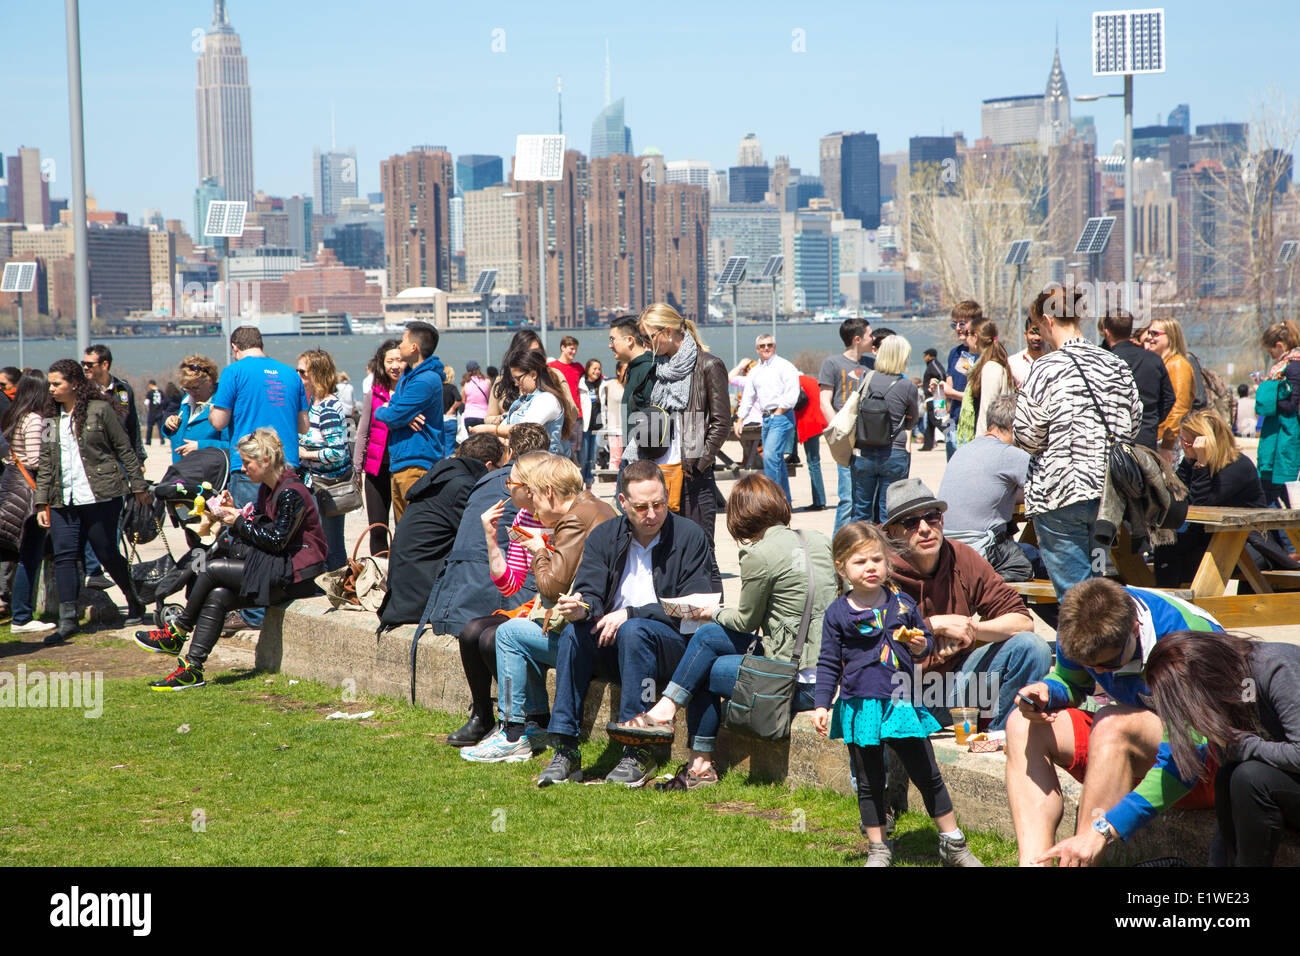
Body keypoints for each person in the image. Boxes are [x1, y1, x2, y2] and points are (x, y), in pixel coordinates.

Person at [606, 475, 836, 790]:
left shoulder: (759, 554)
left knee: (704, 666)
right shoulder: (819, 540)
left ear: (740, 517)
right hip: (827, 676)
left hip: (790, 681)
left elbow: (745, 620)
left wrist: (709, 611)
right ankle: (669, 715)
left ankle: (697, 763)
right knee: (709, 638)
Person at [1006, 577, 1223, 866]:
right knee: (1022, 724)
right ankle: (1034, 863)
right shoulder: (1079, 620)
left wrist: (1104, 830)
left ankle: (1079, 861)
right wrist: (1047, 692)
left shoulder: (1185, 641)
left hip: (1207, 766)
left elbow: (1186, 759)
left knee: (1113, 724)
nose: (1098, 673)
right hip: (1141, 750)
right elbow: (1071, 682)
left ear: (1135, 628)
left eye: (1108, 665)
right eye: (1088, 664)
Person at [812, 521, 984, 867]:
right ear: (840, 567)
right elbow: (829, 661)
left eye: (877, 559)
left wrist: (922, 643)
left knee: (927, 772)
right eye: (860, 562)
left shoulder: (903, 604)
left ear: (887, 563)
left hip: (901, 702)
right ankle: (878, 847)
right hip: (861, 706)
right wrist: (820, 703)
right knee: (869, 779)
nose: (870, 567)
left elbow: (924, 644)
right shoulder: (838, 613)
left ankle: (953, 843)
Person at [538, 460, 715, 787]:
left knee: (635, 630)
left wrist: (633, 613)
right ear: (622, 503)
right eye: (641, 507)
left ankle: (638, 749)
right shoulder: (606, 535)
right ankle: (566, 747)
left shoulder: (689, 536)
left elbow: (698, 604)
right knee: (574, 635)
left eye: (659, 504)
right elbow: (590, 589)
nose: (652, 514)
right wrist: (580, 606)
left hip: (672, 646)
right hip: (615, 643)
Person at [132, 429, 326, 690]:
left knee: (211, 569)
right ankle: (192, 669)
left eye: (248, 463)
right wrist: (235, 511)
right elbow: (260, 525)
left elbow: (277, 540)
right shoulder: (269, 488)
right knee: (219, 596)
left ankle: (177, 632)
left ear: (266, 460)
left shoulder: (291, 491)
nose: (243, 469)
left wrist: (239, 523)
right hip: (276, 565)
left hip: (297, 574)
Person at [460, 453, 617, 763]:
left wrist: (538, 552)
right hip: (602, 632)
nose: (531, 504)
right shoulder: (598, 507)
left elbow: (551, 586)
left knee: (508, 634)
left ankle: (513, 732)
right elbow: (514, 584)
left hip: (588, 640)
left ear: (548, 491)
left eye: (532, 495)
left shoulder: (574, 519)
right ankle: (537, 725)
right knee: (520, 630)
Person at [883, 478, 1048, 732]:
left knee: (1032, 647)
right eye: (911, 523)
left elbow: (1022, 621)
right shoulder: (878, 571)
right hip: (899, 693)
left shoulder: (961, 556)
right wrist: (933, 626)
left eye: (932, 516)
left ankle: (1002, 736)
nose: (925, 528)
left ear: (942, 520)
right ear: (893, 531)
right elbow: (864, 645)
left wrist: (969, 629)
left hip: (952, 688)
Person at [1013, 289, 1141, 601]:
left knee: (1076, 602)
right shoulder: (1116, 364)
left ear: (1046, 320)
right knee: (1098, 583)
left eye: (1037, 326)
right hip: (1108, 498)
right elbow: (1134, 424)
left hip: (1061, 495)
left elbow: (1026, 435)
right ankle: (1111, 646)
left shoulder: (1044, 368)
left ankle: (1085, 648)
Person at [426, 423, 549, 746]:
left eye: (513, 483)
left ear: (533, 487)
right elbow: (510, 585)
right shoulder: (522, 518)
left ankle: (525, 721)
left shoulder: (563, 517)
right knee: (471, 632)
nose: (506, 487)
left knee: (496, 635)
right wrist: (492, 539)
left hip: (558, 608)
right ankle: (482, 715)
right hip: (534, 605)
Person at [1144, 631, 1300, 867]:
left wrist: (1243, 745)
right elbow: (1229, 802)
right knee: (1228, 776)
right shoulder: (1227, 688)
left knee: (1249, 777)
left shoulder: (1276, 668)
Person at [34, 360, 150, 643]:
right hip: (64, 498)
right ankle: (68, 619)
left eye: (57, 383)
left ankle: (134, 600)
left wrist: (138, 486)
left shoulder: (100, 410)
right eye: (50, 384)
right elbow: (47, 461)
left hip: (101, 495)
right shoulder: (50, 418)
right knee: (64, 556)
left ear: (74, 383)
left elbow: (124, 447)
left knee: (106, 551)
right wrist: (41, 502)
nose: (51, 389)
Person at [208, 326, 311, 631]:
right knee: (284, 536)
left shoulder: (234, 371)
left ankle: (252, 613)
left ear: (235, 347)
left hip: (251, 466)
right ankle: (277, 602)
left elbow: (218, 420)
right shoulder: (291, 374)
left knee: (250, 535)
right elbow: (303, 426)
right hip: (287, 465)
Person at [376, 434, 507, 630]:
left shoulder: (445, 476)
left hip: (406, 590)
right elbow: (480, 538)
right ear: (489, 466)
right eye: (500, 470)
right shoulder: (463, 485)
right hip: (421, 599)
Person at [638, 304, 730, 566]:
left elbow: (721, 422)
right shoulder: (659, 369)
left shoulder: (709, 365)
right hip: (660, 472)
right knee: (665, 554)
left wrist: (701, 462)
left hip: (692, 475)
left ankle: (712, 607)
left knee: (700, 553)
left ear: (667, 332)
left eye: (649, 337)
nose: (647, 343)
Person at [1151, 410, 1276, 587]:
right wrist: (1191, 461)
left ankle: (1185, 603)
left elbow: (1200, 505)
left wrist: (1201, 464)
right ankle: (1169, 602)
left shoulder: (1238, 467)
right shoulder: (1196, 462)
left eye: (1187, 443)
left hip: (1246, 544)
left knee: (1175, 554)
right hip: (1212, 538)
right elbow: (1178, 496)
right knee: (1166, 546)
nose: (1183, 446)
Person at [937, 394, 1035, 582]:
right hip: (981, 550)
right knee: (1044, 559)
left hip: (949, 549)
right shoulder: (1009, 454)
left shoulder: (963, 450)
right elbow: (1046, 488)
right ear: (1017, 427)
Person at [373, 321, 447, 521]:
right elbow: (393, 412)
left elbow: (392, 414)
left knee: (413, 529)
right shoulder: (409, 378)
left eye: (403, 341)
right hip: (401, 463)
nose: (399, 346)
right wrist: (396, 414)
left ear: (414, 347)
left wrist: (392, 412)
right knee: (402, 528)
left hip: (417, 465)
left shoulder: (425, 380)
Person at [2, 372, 53, 634]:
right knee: (30, 555)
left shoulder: (14, 415)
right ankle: (22, 616)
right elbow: (35, 460)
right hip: (27, 494)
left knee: (17, 553)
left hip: (11, 488)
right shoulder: (35, 419)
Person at [850, 334, 919, 524]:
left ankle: (860, 551)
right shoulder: (908, 386)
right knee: (889, 513)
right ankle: (888, 552)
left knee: (861, 512)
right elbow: (912, 422)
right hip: (894, 452)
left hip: (863, 451)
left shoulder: (866, 377)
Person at [297, 349, 351, 573]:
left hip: (328, 487)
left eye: (302, 372)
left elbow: (337, 452)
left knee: (332, 544)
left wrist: (304, 454)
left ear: (317, 374)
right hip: (313, 485)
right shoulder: (312, 404)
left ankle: (339, 588)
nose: (298, 376)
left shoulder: (328, 408)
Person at [819, 318, 873, 530]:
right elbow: (824, 401)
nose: (873, 338)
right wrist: (839, 433)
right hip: (846, 439)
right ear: (857, 339)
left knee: (867, 497)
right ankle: (837, 550)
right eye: (870, 335)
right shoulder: (832, 363)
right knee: (848, 498)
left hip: (869, 438)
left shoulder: (871, 364)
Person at [736, 333, 801, 504]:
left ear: (775, 346)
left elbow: (792, 394)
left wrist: (778, 412)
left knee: (770, 456)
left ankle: (773, 499)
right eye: (762, 346)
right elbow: (748, 396)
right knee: (776, 460)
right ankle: (784, 501)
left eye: (770, 345)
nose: (766, 348)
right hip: (765, 418)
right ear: (757, 349)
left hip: (782, 416)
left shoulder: (785, 366)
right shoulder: (755, 371)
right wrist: (740, 419)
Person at [472, 348, 574, 455]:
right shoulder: (522, 402)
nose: (516, 384)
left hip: (543, 465)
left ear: (533, 374)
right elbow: (506, 427)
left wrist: (492, 429)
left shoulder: (547, 400)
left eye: (518, 378)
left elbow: (523, 430)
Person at [353, 339, 403, 555]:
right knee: (377, 529)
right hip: (376, 469)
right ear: (382, 364)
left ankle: (401, 578)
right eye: (389, 360)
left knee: (404, 528)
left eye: (399, 360)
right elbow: (363, 431)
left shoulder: (412, 392)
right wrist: (357, 468)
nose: (395, 366)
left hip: (404, 467)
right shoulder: (375, 392)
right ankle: (379, 576)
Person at [1100, 310, 1173, 451]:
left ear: (1107, 333)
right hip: (1147, 437)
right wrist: (1152, 419)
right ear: (1130, 331)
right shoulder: (1154, 359)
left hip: (1114, 440)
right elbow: (1169, 398)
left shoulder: (1103, 362)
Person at [1256, 321, 1300, 509]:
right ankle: (1283, 537)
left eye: (1270, 352)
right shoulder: (1289, 366)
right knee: (1274, 491)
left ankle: (1280, 537)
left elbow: (1291, 404)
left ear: (1279, 346)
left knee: (1271, 491)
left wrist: (1266, 394)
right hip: (1279, 435)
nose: (1272, 357)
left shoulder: (1292, 367)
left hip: (1284, 437)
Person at [162, 355, 230, 465]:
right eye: (186, 388)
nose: (192, 393)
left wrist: (201, 446)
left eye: (195, 388)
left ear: (210, 381)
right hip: (181, 471)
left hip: (209, 474)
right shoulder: (187, 400)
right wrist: (169, 424)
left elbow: (233, 445)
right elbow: (182, 434)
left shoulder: (222, 404)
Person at [82, 344, 145, 463]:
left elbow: (133, 426)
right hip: (93, 460)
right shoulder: (81, 391)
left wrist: (139, 459)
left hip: (121, 459)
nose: (85, 367)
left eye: (89, 364)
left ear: (105, 365)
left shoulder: (124, 389)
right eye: (83, 363)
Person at [1145, 317, 1196, 461]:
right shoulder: (1160, 364)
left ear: (1171, 336)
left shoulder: (1178, 365)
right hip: (1159, 437)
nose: (1149, 338)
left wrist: (1167, 444)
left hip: (1171, 442)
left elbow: (1179, 407)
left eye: (1155, 334)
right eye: (1148, 333)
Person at [955, 318, 1013, 443]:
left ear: (975, 337)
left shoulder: (990, 367)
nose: (965, 338)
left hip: (991, 439)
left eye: (967, 334)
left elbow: (987, 408)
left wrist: (981, 442)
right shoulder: (991, 363)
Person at [942, 301, 981, 460]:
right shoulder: (955, 353)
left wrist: (952, 393)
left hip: (975, 425)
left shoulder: (985, 354)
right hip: (953, 424)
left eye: (962, 323)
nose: (958, 328)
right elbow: (949, 387)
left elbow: (983, 395)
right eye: (954, 325)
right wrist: (939, 389)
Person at [794, 372, 827, 512]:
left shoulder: (794, 382)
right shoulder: (811, 380)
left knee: (813, 463)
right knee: (814, 462)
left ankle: (819, 501)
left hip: (808, 424)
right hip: (817, 422)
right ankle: (819, 500)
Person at [549, 334, 585, 457]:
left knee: (576, 450)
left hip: (576, 415)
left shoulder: (578, 367)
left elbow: (593, 378)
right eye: (571, 348)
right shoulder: (551, 367)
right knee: (558, 448)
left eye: (576, 349)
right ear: (562, 348)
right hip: (558, 414)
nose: (574, 352)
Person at [729, 358, 762, 470]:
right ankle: (749, 460)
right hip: (762, 421)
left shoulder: (749, 380)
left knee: (742, 436)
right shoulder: (763, 380)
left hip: (750, 422)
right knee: (751, 445)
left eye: (745, 371)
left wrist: (740, 366)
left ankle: (749, 462)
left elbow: (729, 378)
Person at [579, 359, 605, 489]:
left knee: (592, 459)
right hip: (584, 427)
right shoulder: (581, 385)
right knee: (582, 458)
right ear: (587, 369)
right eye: (594, 368)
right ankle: (579, 486)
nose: (597, 371)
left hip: (598, 428)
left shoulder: (602, 384)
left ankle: (589, 488)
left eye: (599, 369)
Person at [1006, 313, 1047, 389]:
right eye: (1032, 333)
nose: (1036, 338)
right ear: (1025, 335)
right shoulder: (1012, 363)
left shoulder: (1053, 360)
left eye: (1040, 333)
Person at [920, 347, 946, 452]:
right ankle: (927, 445)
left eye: (925, 355)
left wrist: (938, 385)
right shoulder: (931, 365)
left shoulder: (933, 364)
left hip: (935, 397)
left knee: (936, 420)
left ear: (930, 356)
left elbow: (941, 375)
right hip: (932, 397)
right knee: (931, 423)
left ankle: (953, 437)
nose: (924, 357)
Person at [603, 360, 626, 470]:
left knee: (628, 459)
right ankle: (614, 486)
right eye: (625, 370)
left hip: (629, 428)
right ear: (618, 371)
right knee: (615, 459)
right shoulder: (610, 384)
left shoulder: (632, 386)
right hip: (614, 428)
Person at [461, 361, 491, 432]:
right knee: (484, 440)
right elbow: (490, 399)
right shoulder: (487, 381)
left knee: (471, 441)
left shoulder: (465, 383)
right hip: (484, 415)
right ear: (479, 369)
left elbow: (463, 400)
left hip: (469, 416)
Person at [442, 364, 463, 453]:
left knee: (440, 446)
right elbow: (459, 399)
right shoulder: (452, 388)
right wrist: (452, 409)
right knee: (450, 447)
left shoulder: (437, 387)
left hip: (439, 420)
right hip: (450, 419)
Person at [143, 380, 165, 445]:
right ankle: (162, 440)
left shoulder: (150, 393)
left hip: (152, 412)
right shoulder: (161, 392)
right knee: (160, 427)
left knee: (150, 427)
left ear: (150, 385)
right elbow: (164, 401)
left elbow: (146, 402)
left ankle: (148, 441)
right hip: (160, 412)